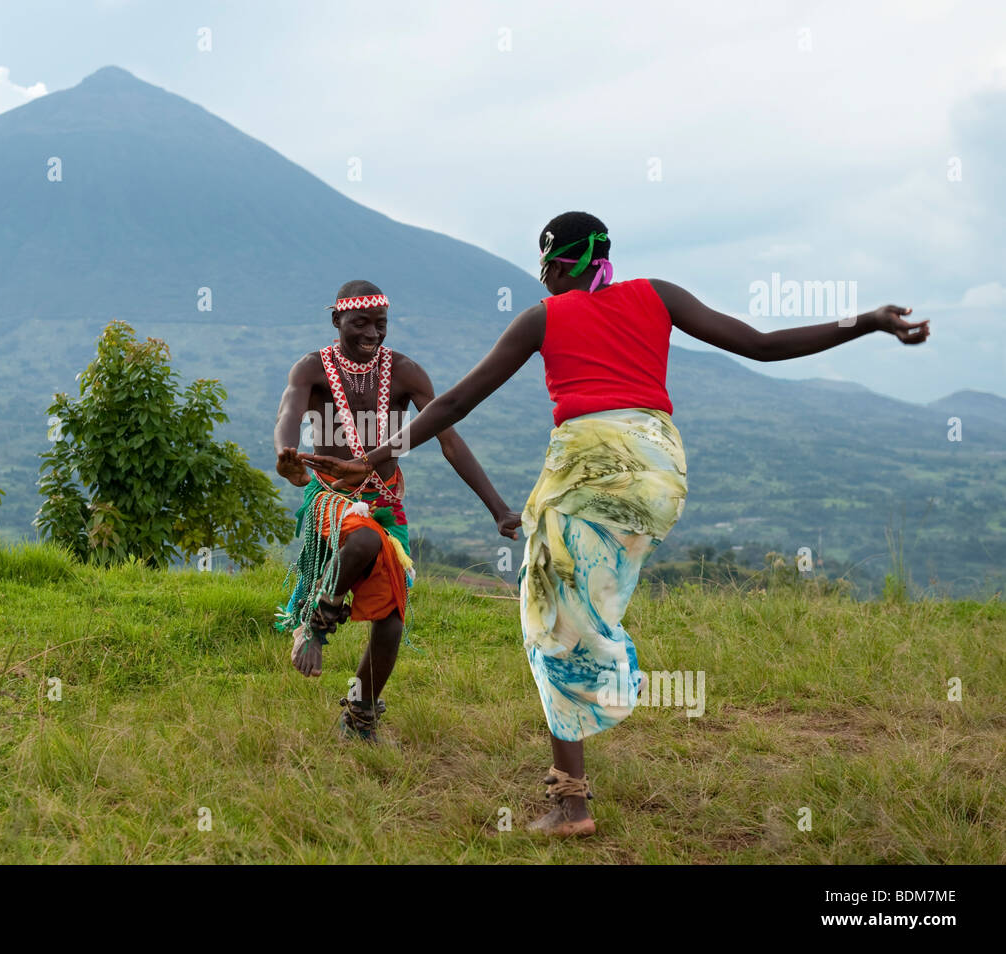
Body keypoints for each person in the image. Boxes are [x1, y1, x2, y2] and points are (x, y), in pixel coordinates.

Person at [301, 212, 929, 831]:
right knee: (582, 608)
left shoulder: (542, 317)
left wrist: (373, 460)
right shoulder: (658, 295)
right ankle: (600, 670)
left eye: (545, 263)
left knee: (550, 621)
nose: (542, 275)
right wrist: (866, 321)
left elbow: (457, 400)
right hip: (659, 475)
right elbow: (762, 346)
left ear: (563, 262)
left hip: (589, 469)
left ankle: (571, 801)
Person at [273, 280, 520, 742]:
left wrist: (499, 509)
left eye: (380, 324)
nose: (372, 333)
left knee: (390, 617)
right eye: (360, 323)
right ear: (336, 321)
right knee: (363, 539)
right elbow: (289, 411)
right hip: (330, 497)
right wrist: (286, 454)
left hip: (385, 499)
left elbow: (449, 439)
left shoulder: (405, 372)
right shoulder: (312, 369)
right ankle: (318, 617)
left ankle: (361, 715)